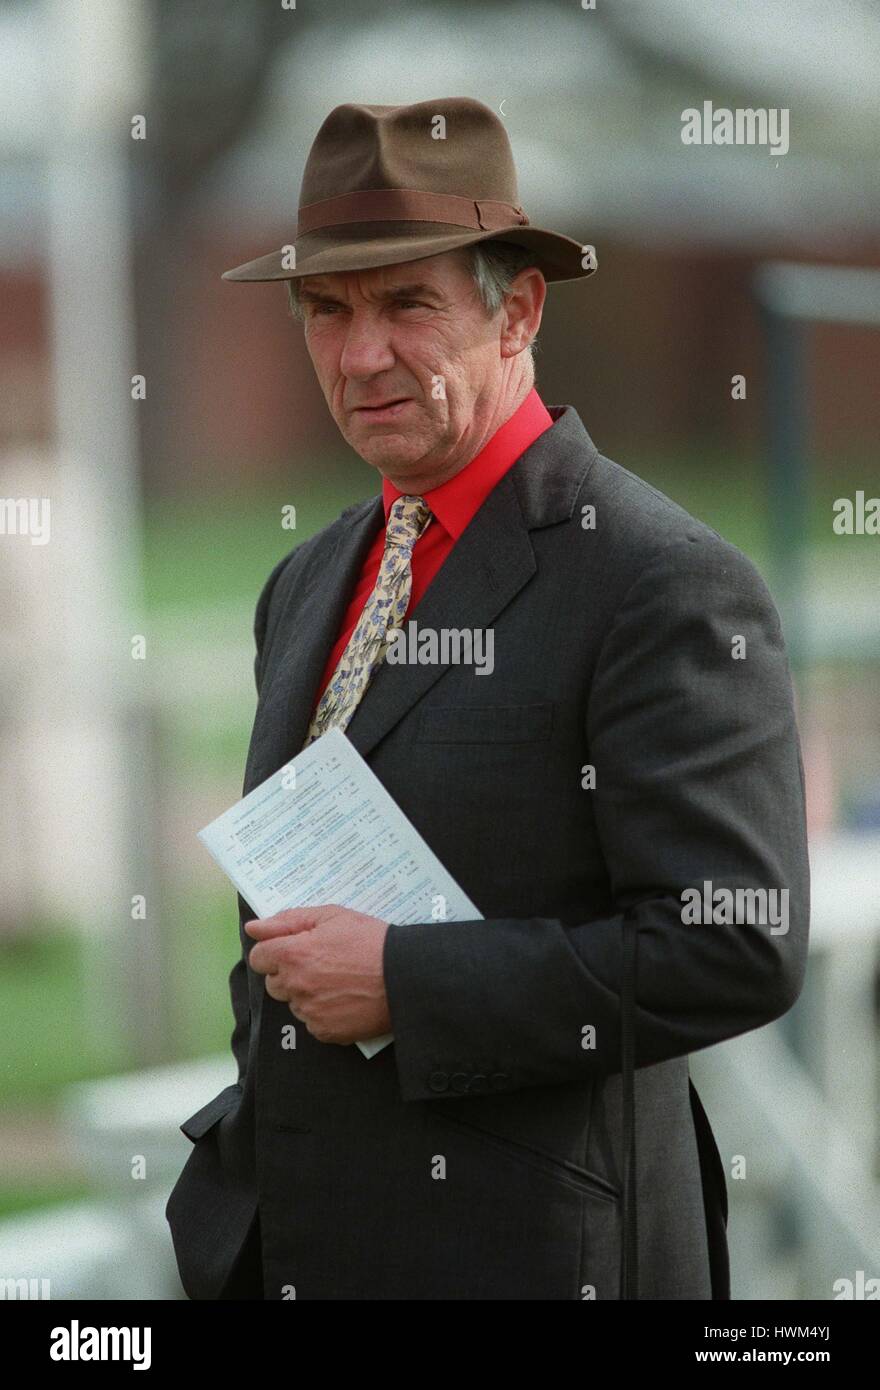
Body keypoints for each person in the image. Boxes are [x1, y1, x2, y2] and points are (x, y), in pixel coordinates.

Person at [165, 96, 810, 1301]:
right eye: (328, 309)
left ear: (517, 309)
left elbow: (733, 944)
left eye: (409, 303)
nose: (360, 355)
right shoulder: (305, 580)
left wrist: (410, 982)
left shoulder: (660, 581)